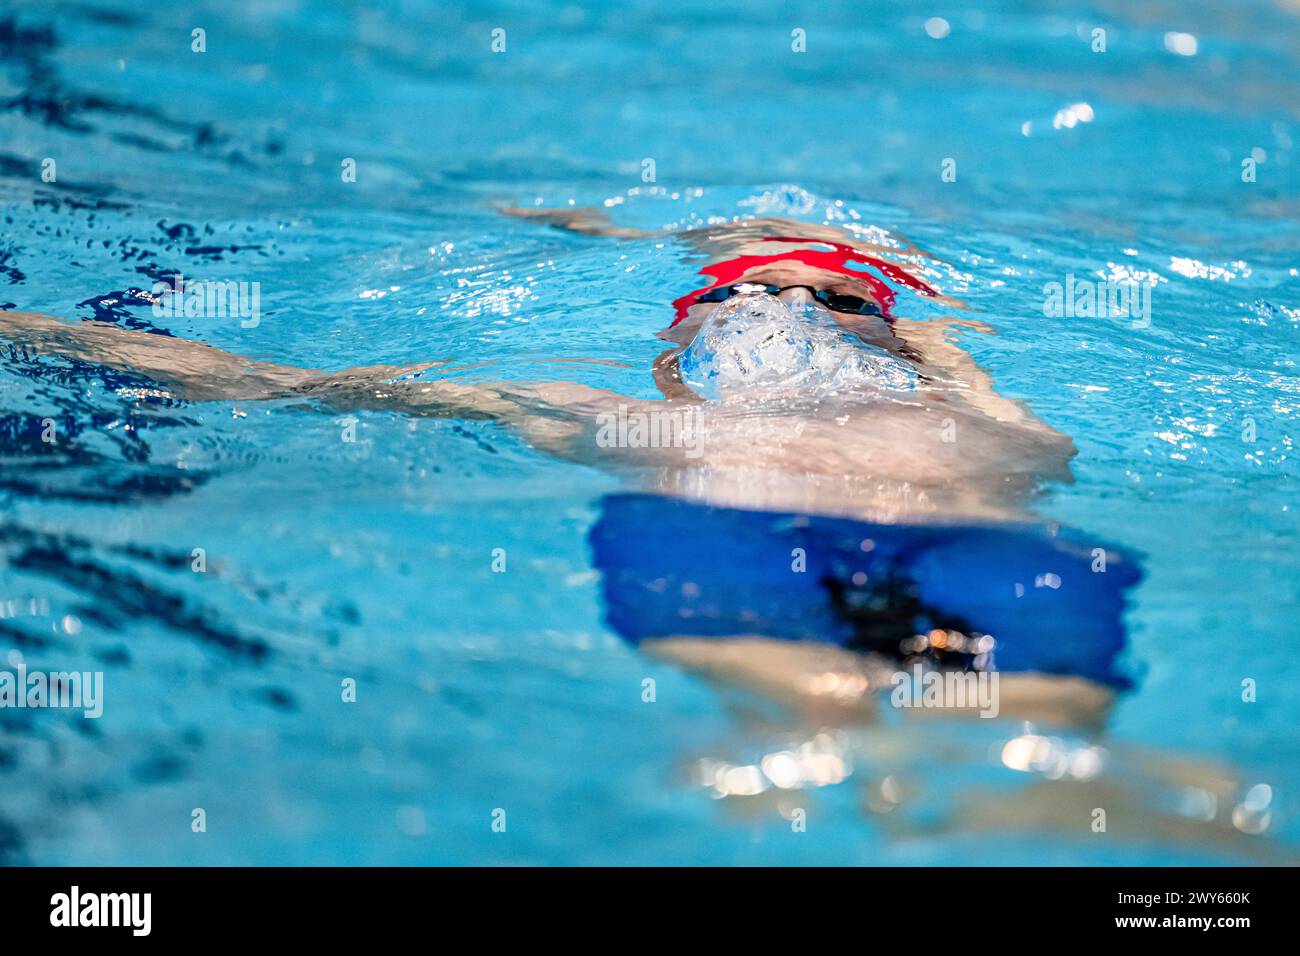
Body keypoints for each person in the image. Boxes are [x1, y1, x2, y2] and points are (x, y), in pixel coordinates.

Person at [0, 211, 1133, 724]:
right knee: (905, 715)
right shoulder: (606, 410)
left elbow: (286, 383)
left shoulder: (975, 415)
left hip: (842, 540)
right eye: (746, 291)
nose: (788, 310)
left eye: (832, 299)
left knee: (956, 717)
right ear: (675, 347)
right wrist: (45, 330)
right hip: (805, 542)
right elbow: (278, 379)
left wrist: (925, 330)